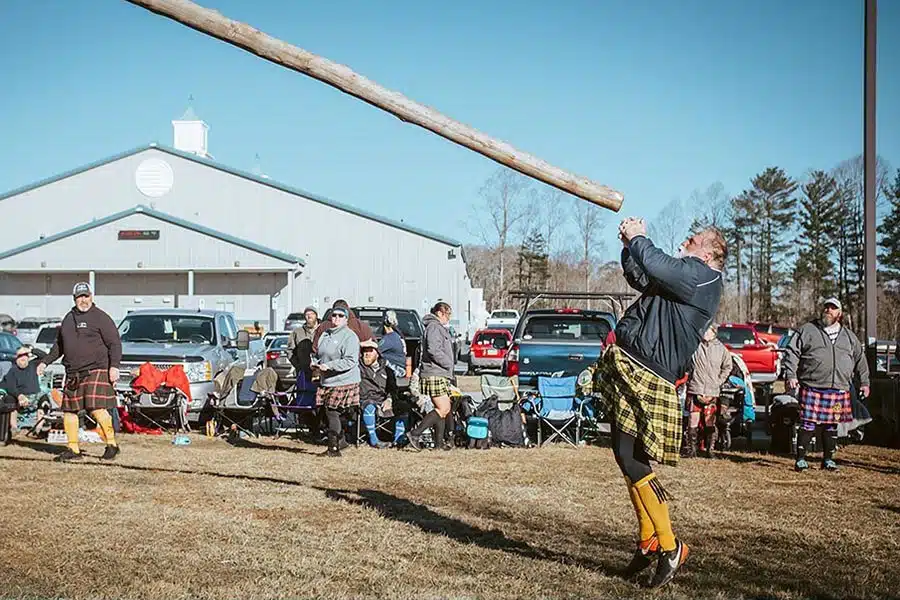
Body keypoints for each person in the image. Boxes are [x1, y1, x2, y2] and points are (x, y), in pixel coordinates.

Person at [594, 219, 726, 587]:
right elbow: (642, 276)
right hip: (634, 363)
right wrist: (627, 244)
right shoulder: (686, 275)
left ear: (709, 253)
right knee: (624, 454)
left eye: (694, 238)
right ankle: (649, 539)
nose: (686, 240)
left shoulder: (701, 276)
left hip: (651, 372)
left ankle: (670, 546)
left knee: (636, 461)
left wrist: (639, 236)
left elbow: (656, 264)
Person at [37, 282, 122, 462]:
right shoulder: (68, 319)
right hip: (74, 371)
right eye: (80, 297)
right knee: (69, 411)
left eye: (86, 296)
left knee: (96, 408)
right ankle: (73, 449)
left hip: (96, 368)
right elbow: (59, 346)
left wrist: (114, 366)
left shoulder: (101, 317)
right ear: (74, 298)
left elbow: (115, 343)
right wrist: (44, 362)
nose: (83, 300)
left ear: (91, 296)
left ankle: (112, 445)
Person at [782, 297, 870, 472]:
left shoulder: (849, 336)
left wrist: (865, 382)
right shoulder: (807, 330)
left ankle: (828, 460)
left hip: (839, 389)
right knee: (808, 423)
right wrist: (791, 374)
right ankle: (800, 460)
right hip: (812, 386)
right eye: (826, 307)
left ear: (840, 313)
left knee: (832, 425)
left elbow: (861, 360)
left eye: (833, 308)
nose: (828, 310)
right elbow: (792, 352)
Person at [406, 302, 455, 451]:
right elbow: (433, 350)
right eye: (448, 315)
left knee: (442, 408)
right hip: (435, 372)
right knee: (443, 408)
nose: (449, 318)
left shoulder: (437, 328)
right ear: (440, 313)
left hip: (439, 373)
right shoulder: (434, 327)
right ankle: (415, 434)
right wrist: (448, 364)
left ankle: (439, 444)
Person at [313, 306, 361, 457]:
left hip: (344, 380)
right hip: (327, 380)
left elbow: (350, 361)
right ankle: (342, 441)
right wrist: (315, 363)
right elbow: (319, 353)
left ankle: (333, 448)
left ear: (346, 319)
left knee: (331, 412)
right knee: (322, 412)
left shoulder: (350, 336)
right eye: (334, 315)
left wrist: (329, 366)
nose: (337, 318)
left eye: (341, 316)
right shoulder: (325, 334)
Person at [684, 324, 733, 458]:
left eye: (707, 330)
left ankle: (710, 450)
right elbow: (686, 361)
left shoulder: (721, 349)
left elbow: (728, 366)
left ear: (713, 332)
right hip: (696, 388)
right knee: (692, 420)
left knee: (710, 421)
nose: (704, 333)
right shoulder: (695, 345)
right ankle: (691, 450)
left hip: (712, 390)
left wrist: (719, 380)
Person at [359, 339, 407, 448]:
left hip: (382, 400)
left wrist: (389, 399)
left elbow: (392, 388)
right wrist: (360, 344)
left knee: (403, 406)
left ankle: (398, 440)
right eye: (364, 351)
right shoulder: (359, 367)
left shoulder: (387, 369)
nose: (366, 354)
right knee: (369, 406)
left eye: (370, 351)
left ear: (377, 354)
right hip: (365, 399)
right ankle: (374, 440)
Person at [0, 346, 44, 440]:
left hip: (35, 397)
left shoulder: (34, 365)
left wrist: (30, 350)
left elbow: (44, 356)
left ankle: (39, 429)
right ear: (16, 359)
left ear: (28, 357)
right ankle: (14, 428)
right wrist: (19, 396)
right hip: (20, 398)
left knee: (44, 400)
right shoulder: (12, 371)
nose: (23, 358)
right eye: (20, 356)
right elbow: (11, 387)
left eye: (25, 356)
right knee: (11, 401)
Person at [287, 306, 320, 381]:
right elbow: (290, 350)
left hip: (320, 372)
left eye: (312, 313)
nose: (309, 316)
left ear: (316, 316)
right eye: (306, 314)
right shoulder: (297, 332)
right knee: (303, 391)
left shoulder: (323, 331)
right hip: (303, 372)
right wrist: (298, 365)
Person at [379, 310, 407, 377]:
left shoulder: (388, 339)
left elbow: (376, 350)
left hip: (396, 370)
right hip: (402, 368)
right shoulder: (397, 336)